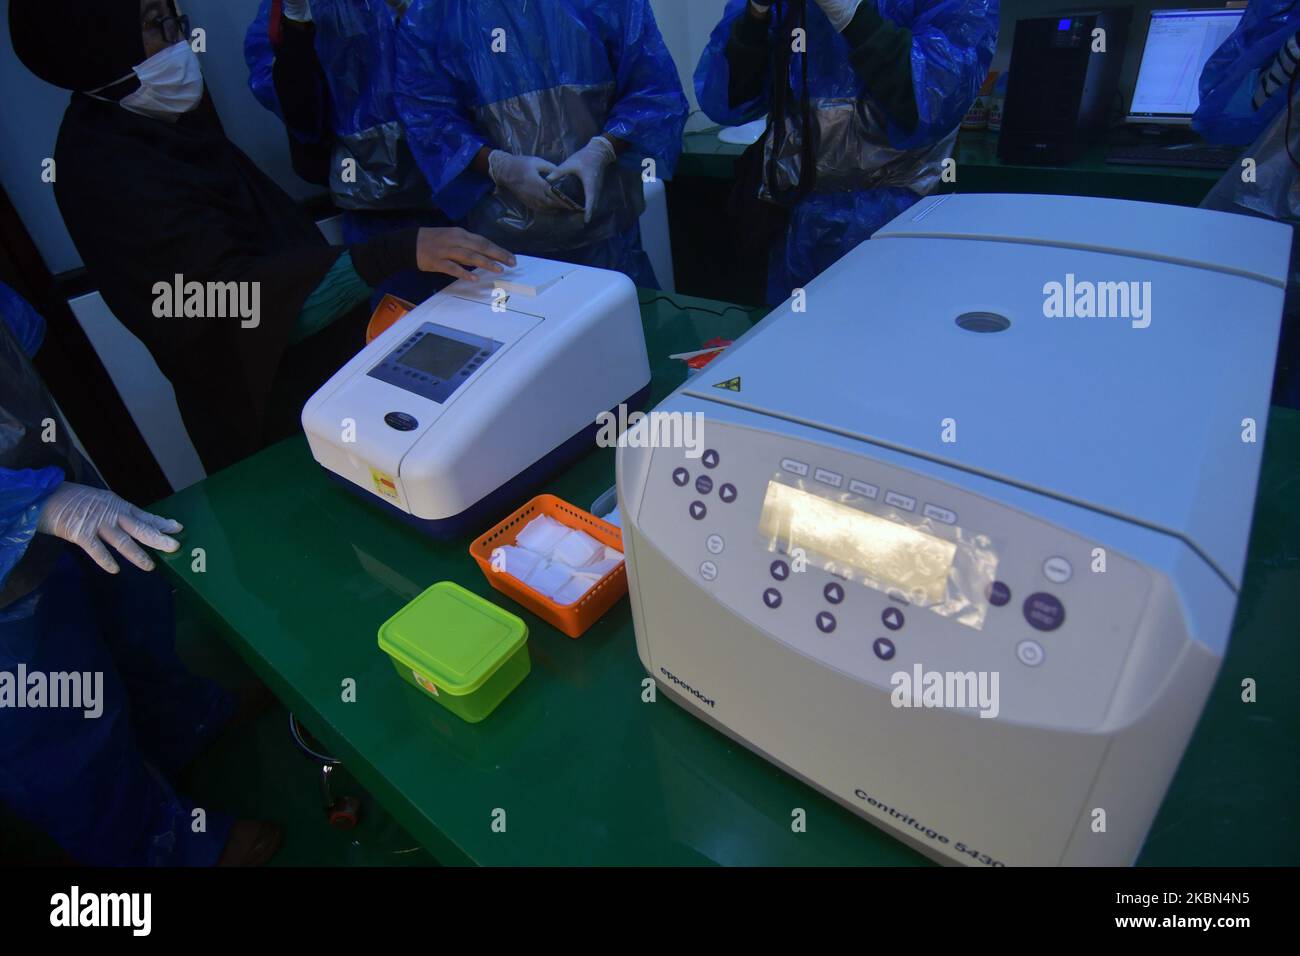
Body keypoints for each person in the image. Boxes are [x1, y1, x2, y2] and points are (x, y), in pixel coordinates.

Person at [9, 0, 515, 476]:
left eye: (175, 22)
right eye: (153, 24)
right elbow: (224, 304)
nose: (178, 43)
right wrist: (395, 251)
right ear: (95, 39)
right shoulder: (108, 167)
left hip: (321, 375)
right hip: (266, 412)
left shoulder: (166, 126)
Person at [0, 282, 279, 866]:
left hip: (42, 472)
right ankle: (166, 848)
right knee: (54, 717)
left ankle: (182, 723)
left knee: (127, 606)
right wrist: (26, 506)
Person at [696, 0, 997, 304]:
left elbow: (936, 96)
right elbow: (726, 98)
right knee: (795, 342)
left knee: (897, 338)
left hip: (901, 225)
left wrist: (852, 14)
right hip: (798, 227)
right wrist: (756, 14)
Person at [393, 0, 688, 287]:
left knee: (622, 322)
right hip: (503, 253)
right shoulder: (434, 15)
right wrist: (499, 166)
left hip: (608, 236)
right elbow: (428, 119)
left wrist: (602, 150)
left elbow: (653, 91)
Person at [245, 0, 449, 306]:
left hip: (462, 186)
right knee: (405, 331)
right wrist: (297, 24)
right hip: (378, 211)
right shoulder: (299, 8)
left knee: (502, 315)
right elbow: (290, 100)